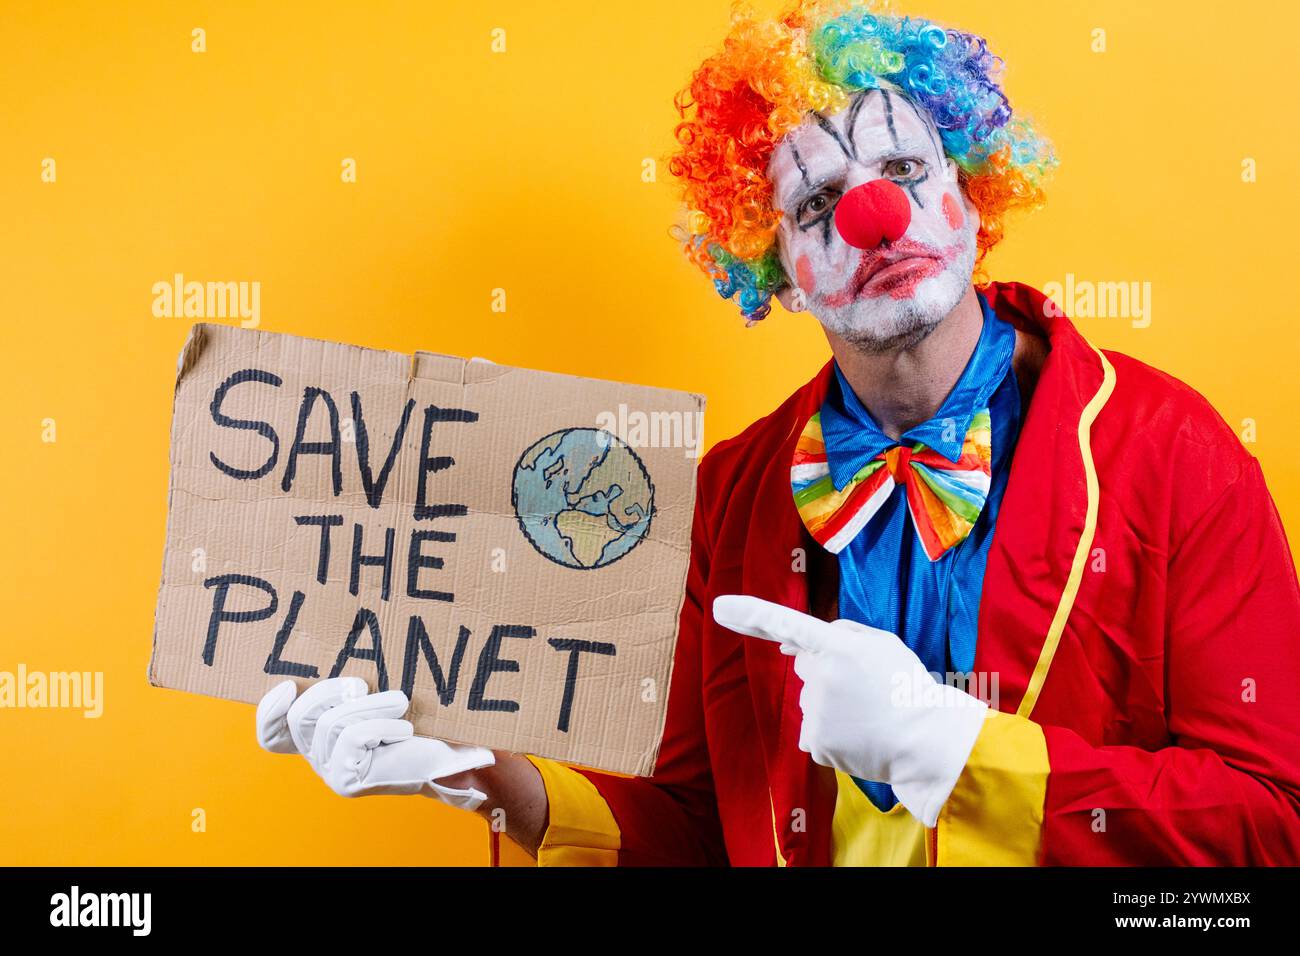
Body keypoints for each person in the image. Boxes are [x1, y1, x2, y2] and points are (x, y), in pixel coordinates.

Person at [254, 0, 1300, 865]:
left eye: (905, 170)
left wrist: (956, 748)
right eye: (816, 208)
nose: (872, 220)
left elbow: (1273, 823)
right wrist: (492, 776)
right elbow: (693, 827)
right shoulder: (728, 494)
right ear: (775, 273)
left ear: (973, 193)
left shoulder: (1174, 450)